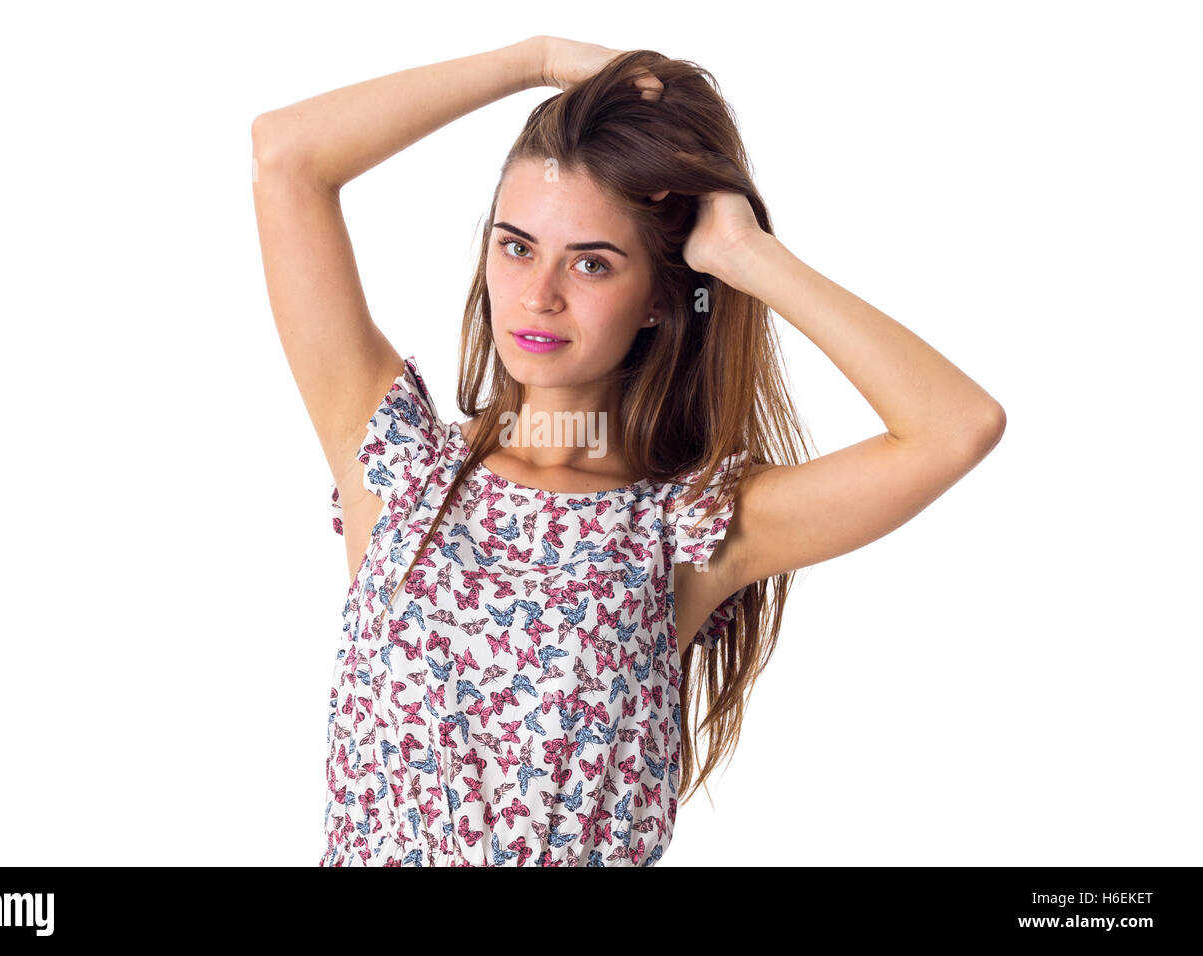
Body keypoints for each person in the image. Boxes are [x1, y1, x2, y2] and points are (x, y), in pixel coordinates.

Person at [250, 36, 1006, 867]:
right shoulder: (397, 464)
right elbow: (286, 157)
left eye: (594, 263)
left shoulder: (687, 528)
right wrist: (531, 60)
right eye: (517, 245)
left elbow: (955, 426)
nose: (540, 293)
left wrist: (744, 256)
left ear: (658, 298)